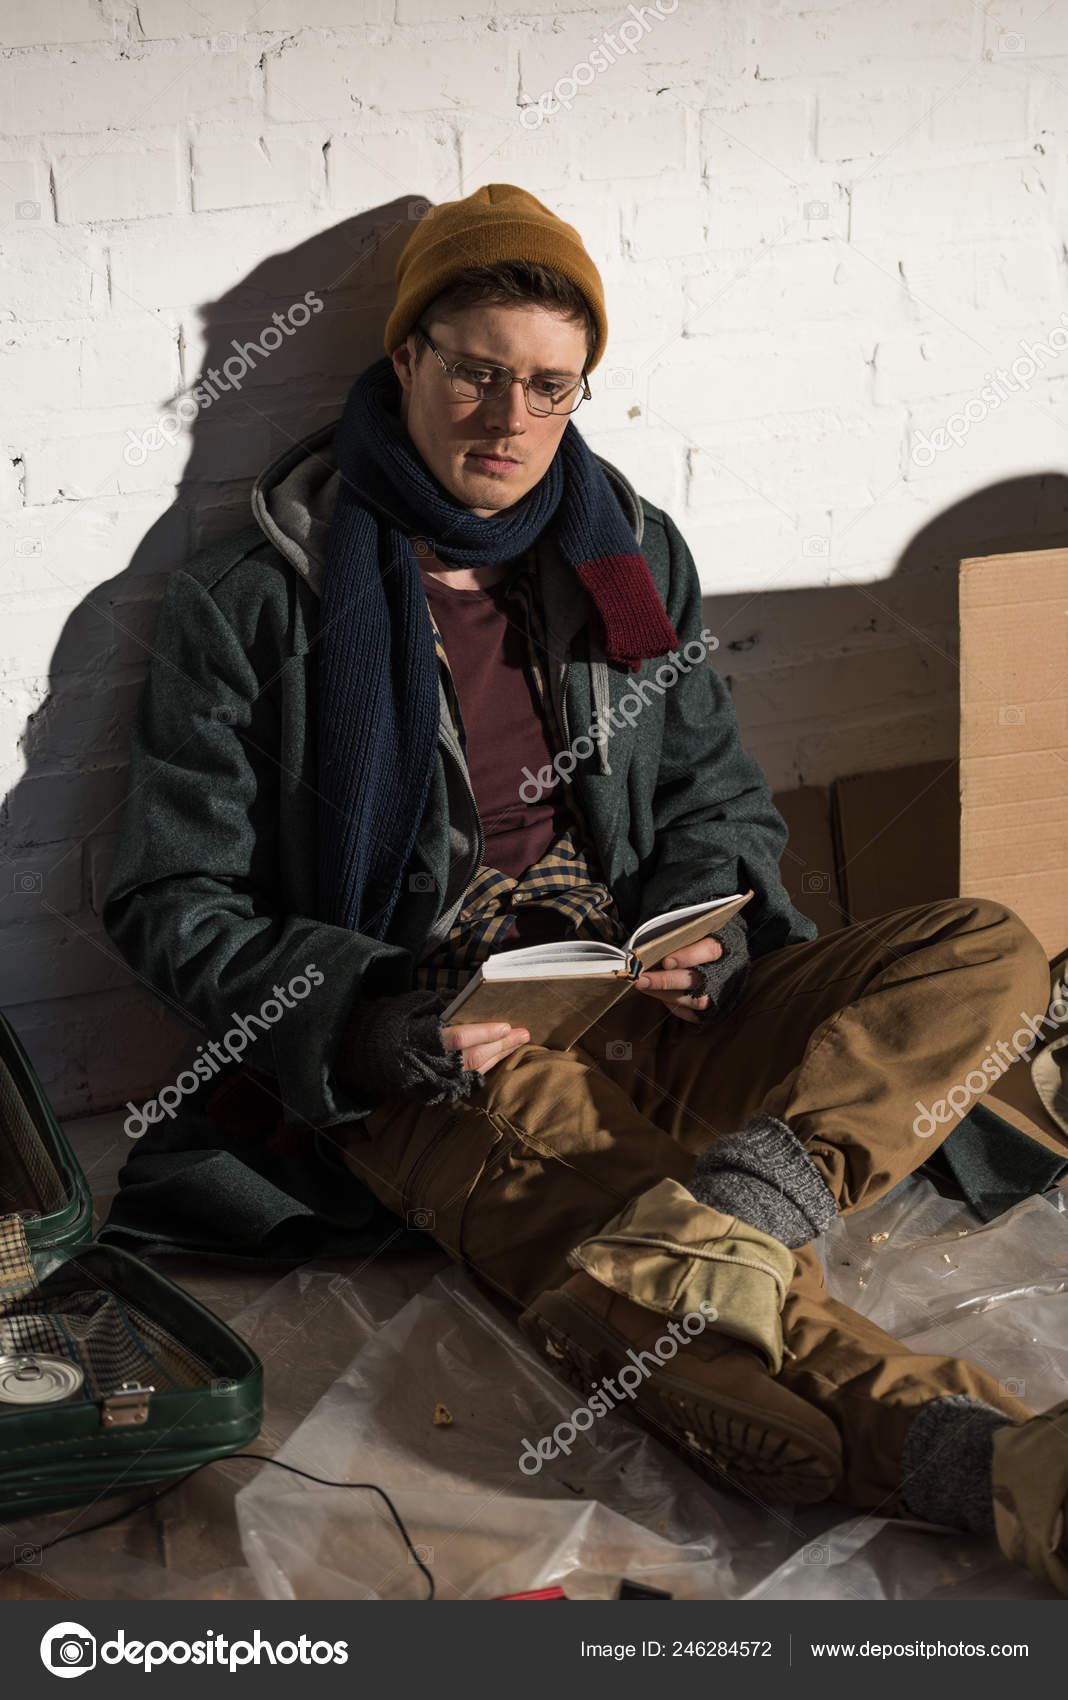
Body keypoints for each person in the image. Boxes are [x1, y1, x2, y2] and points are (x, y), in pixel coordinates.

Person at [101, 184, 1068, 1596]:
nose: (510, 418)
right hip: (446, 1046)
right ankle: (994, 1463)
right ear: (406, 358)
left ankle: (739, 1213)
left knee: (986, 949)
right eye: (476, 372)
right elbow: (169, 896)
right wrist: (368, 1018)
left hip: (651, 997)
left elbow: (716, 797)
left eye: (550, 386)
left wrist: (707, 932)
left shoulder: (625, 550)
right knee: (660, 1281)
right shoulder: (253, 602)